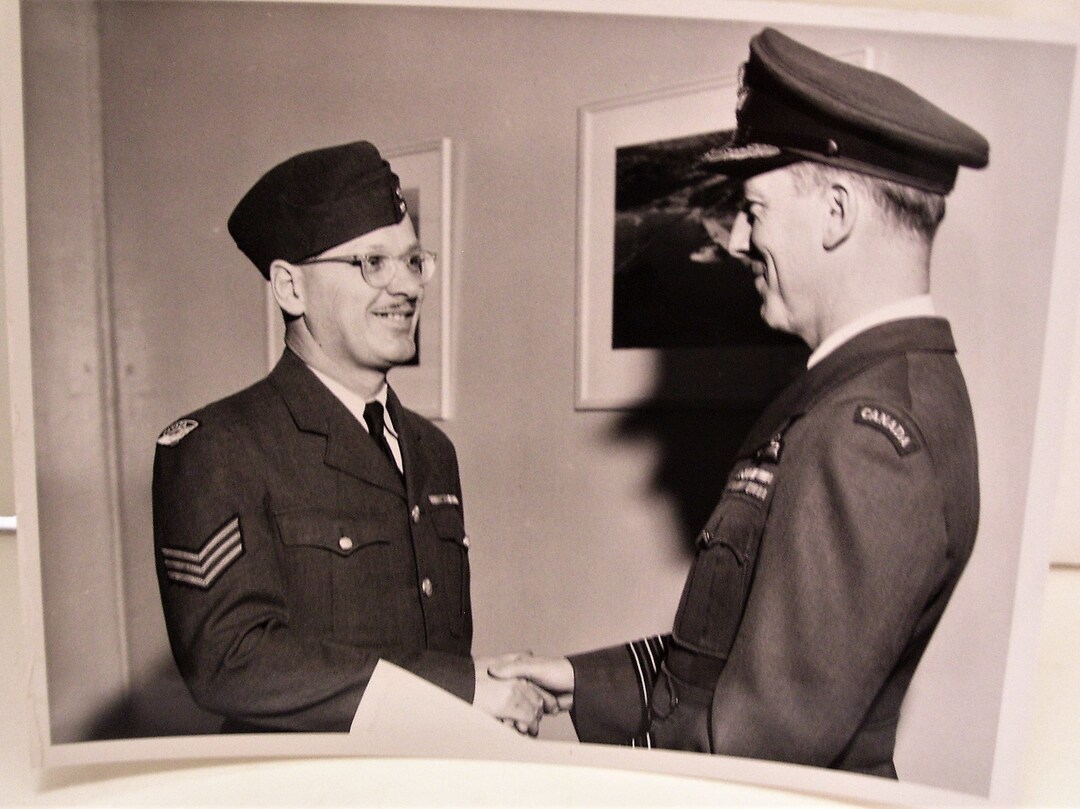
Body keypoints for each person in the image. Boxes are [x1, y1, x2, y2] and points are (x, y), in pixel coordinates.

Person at [493, 27, 988, 778]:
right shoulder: (862, 388)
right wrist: (573, 677)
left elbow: (756, 749)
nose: (738, 239)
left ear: (837, 213)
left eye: (754, 209)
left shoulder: (865, 432)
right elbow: (734, 655)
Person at [152, 140, 548, 734]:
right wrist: (462, 691)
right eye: (372, 263)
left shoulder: (431, 451)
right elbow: (229, 662)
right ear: (290, 288)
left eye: (414, 262)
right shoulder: (218, 447)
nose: (407, 287)